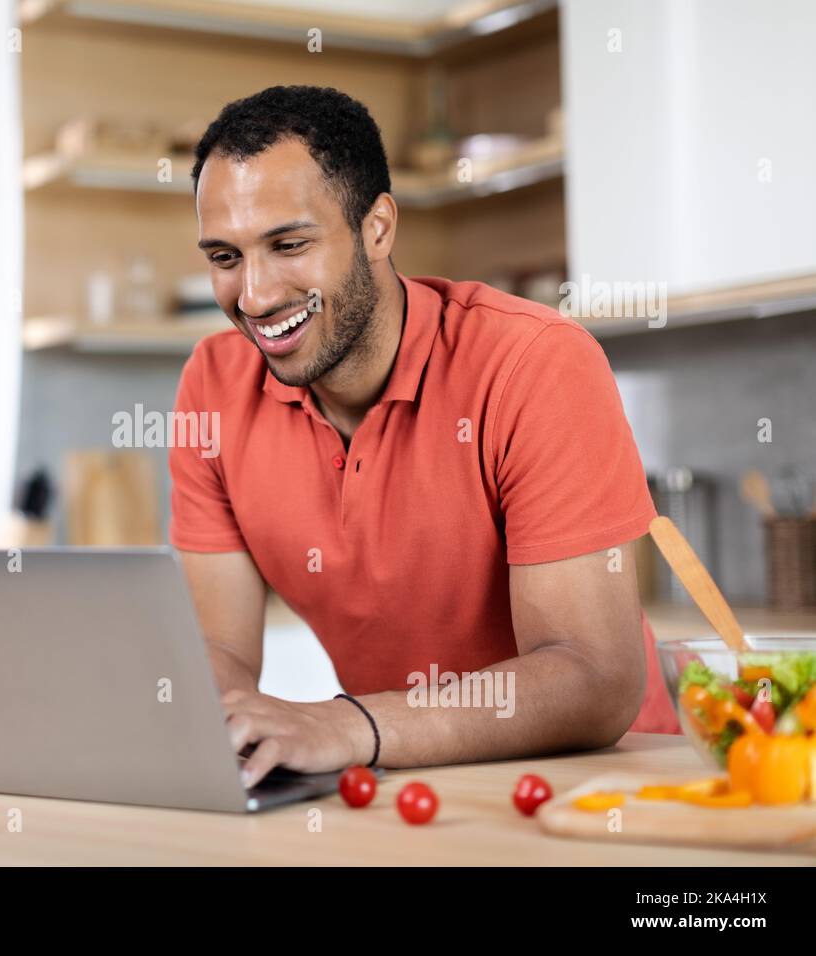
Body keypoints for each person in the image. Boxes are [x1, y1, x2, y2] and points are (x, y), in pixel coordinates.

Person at [170, 85, 678, 789]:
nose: (253, 296)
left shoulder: (534, 363)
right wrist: (212, 732)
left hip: (603, 785)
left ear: (378, 228)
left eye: (288, 244)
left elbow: (592, 675)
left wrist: (349, 726)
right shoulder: (213, 388)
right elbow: (217, 649)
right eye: (225, 257)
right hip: (410, 777)